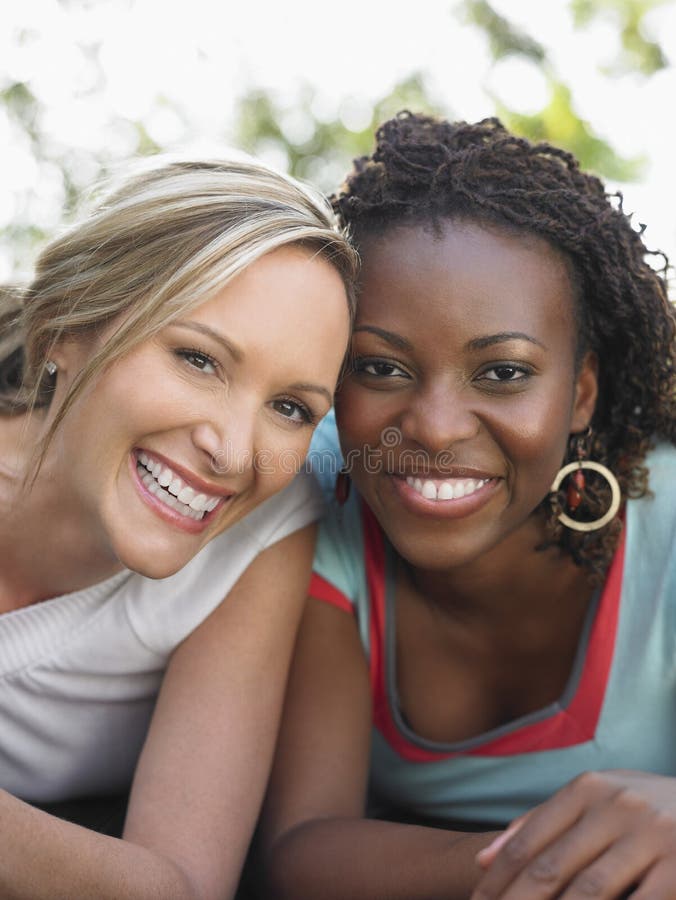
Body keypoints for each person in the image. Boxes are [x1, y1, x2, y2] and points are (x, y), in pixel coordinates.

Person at [260, 113, 676, 899]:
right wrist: (555, 864)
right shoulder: (315, 499)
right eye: (380, 367)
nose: (436, 428)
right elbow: (302, 850)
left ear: (581, 392)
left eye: (504, 374)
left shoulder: (671, 526)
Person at [0, 154, 358, 899]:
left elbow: (181, 888)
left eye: (290, 408)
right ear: (70, 325)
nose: (231, 450)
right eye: (199, 359)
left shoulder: (262, 531)